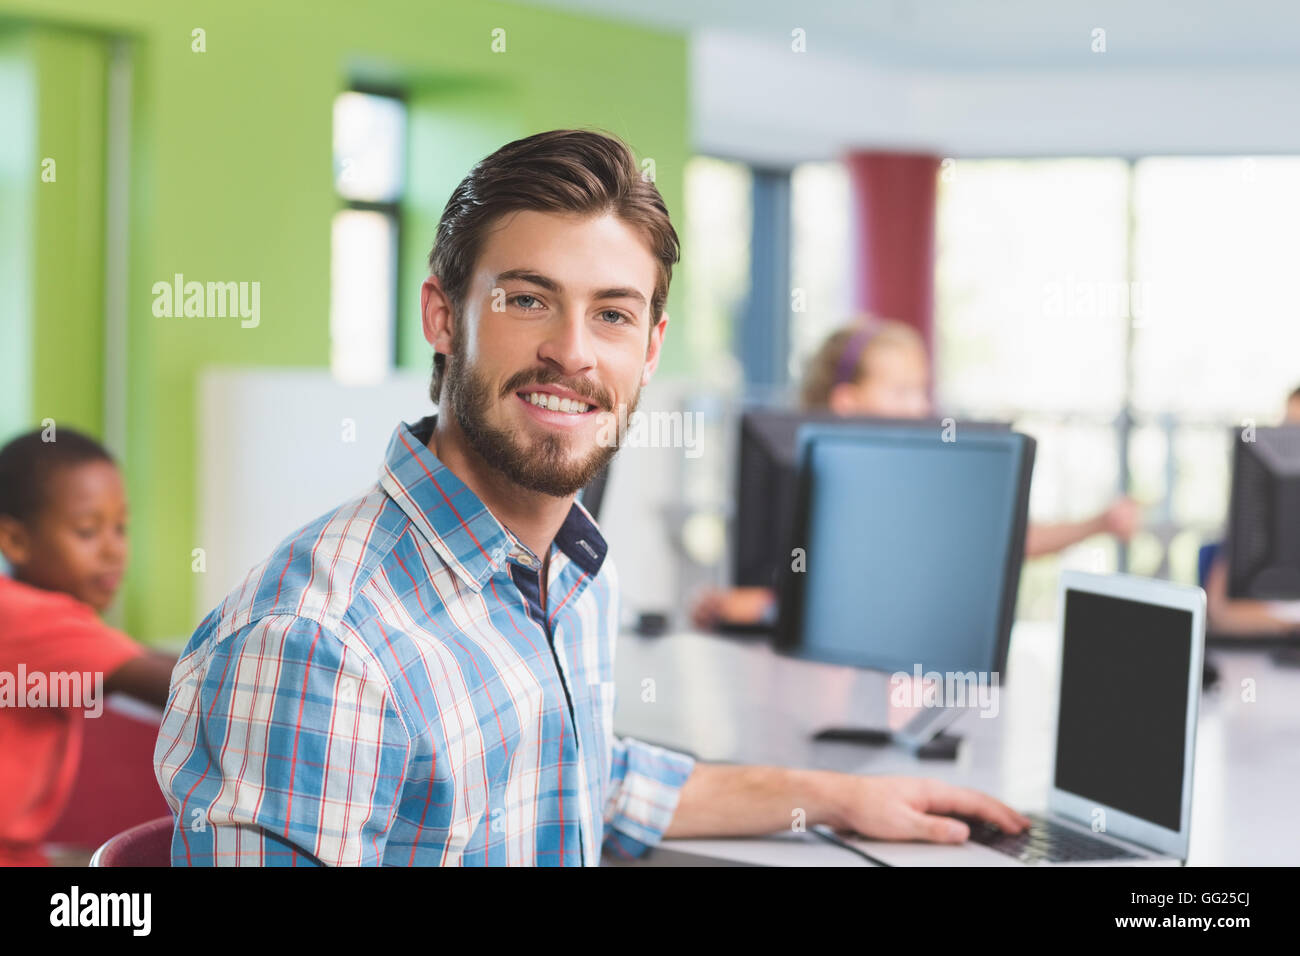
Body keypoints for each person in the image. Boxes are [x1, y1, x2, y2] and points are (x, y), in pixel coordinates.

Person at [154, 129, 1028, 866]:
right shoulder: (320, 645)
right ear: (441, 316)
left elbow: (588, 776)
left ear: (650, 348)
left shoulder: (566, 571)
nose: (572, 353)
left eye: (612, 315)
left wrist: (839, 796)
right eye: (529, 300)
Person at [693, 317, 1141, 628]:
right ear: (846, 403)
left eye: (922, 392)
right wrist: (763, 606)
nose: (922, 408)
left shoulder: (923, 490)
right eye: (903, 392)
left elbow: (1004, 539)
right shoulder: (799, 473)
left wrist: (1098, 523)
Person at [0, 427, 176, 866]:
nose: (113, 550)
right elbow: (182, 684)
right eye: (86, 531)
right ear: (15, 541)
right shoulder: (27, 617)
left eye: (120, 528)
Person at [1203, 386, 1300, 637]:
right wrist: (1290, 626)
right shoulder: (1257, 521)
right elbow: (1222, 612)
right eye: (1288, 430)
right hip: (1265, 662)